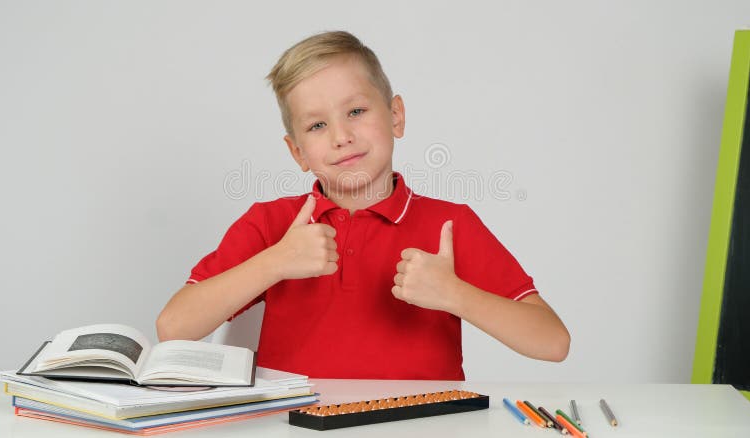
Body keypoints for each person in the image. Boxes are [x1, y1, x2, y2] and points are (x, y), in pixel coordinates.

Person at [156, 31, 570, 379]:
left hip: (422, 427)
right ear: (297, 152)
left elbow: (552, 342)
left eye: (355, 111)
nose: (341, 136)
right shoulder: (271, 223)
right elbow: (173, 327)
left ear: (396, 116)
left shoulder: (448, 224)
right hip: (296, 425)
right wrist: (276, 262)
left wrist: (455, 294)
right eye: (317, 125)